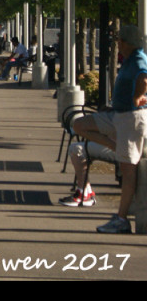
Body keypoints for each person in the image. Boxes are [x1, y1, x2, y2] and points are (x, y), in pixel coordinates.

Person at [73, 24, 147, 233]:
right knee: (79, 125)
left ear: (126, 42)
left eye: (119, 42)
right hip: (118, 115)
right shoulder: (129, 60)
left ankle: (121, 218)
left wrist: (138, 97)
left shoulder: (138, 58)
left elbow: (144, 76)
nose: (118, 46)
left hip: (131, 119)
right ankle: (115, 147)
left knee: (128, 170)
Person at [58, 140, 116, 206]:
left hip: (118, 148)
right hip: (119, 146)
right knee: (81, 146)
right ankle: (86, 191)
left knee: (76, 149)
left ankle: (83, 194)